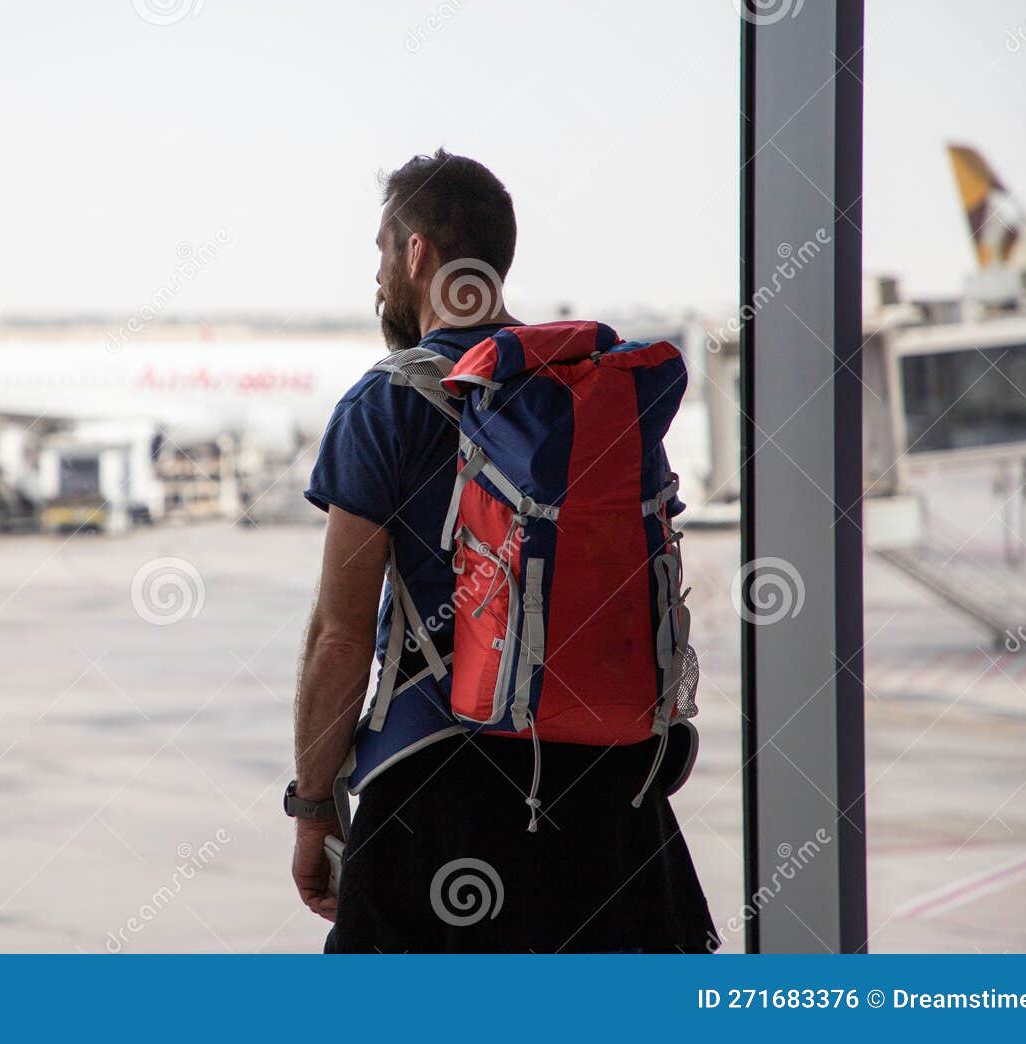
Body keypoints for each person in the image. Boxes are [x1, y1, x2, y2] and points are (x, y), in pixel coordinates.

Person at [286, 149, 714, 952]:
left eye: (382, 252)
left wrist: (314, 810)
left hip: (440, 801)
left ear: (416, 253)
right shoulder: (596, 393)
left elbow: (340, 637)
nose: (379, 278)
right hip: (614, 807)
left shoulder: (387, 402)